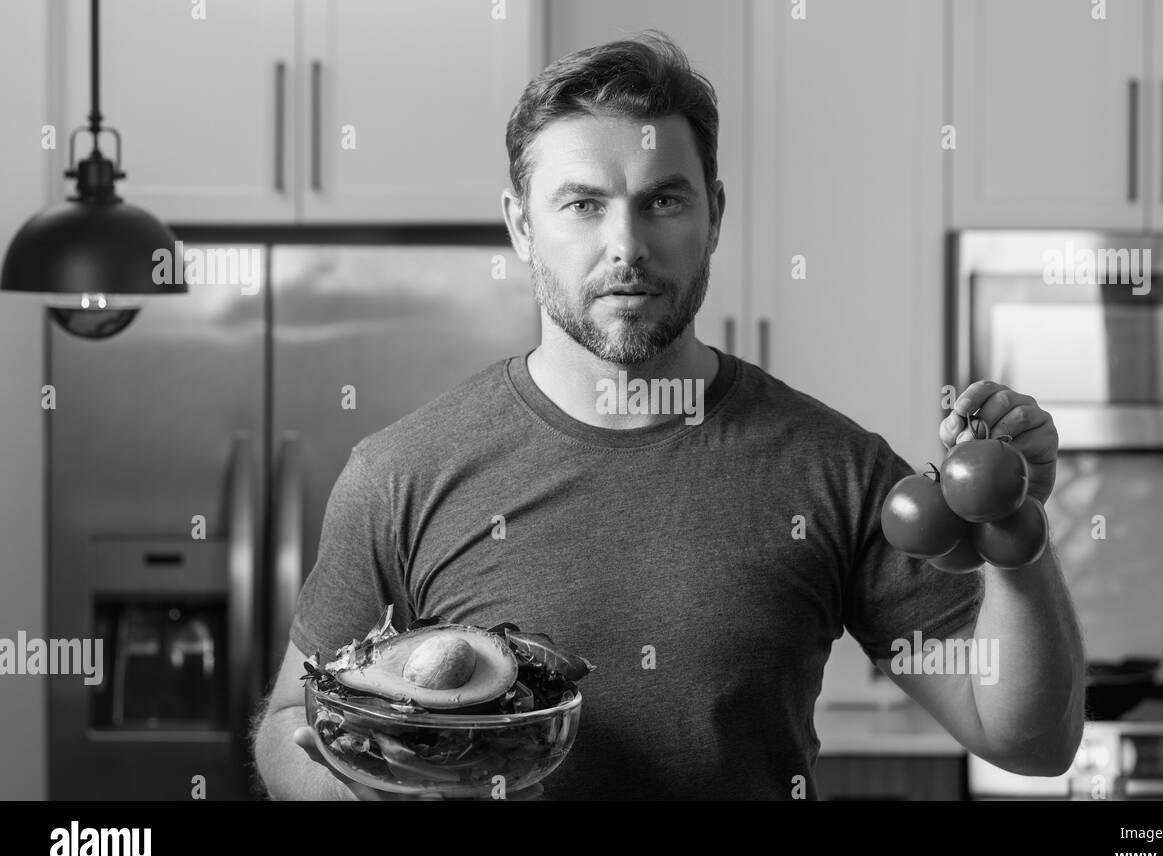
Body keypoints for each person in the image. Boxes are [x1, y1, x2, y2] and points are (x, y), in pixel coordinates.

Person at [252, 31, 1085, 801]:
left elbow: (1029, 740)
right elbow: (290, 728)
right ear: (521, 227)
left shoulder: (834, 467)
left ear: (714, 216)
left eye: (663, 201)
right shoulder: (401, 471)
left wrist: (1017, 533)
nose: (626, 245)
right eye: (581, 204)